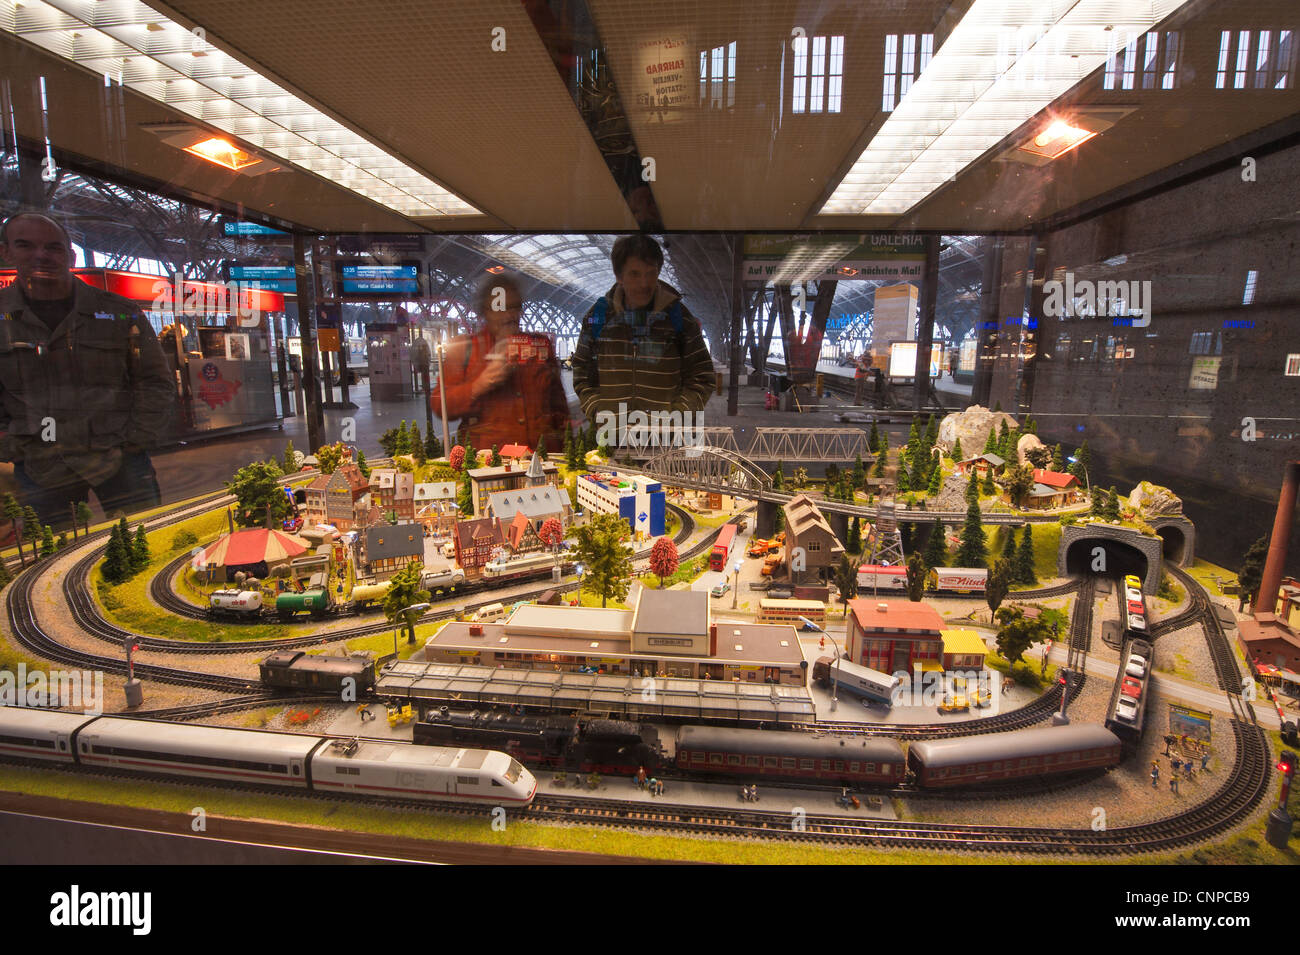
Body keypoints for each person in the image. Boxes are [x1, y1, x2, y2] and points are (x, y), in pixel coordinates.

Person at [0, 213, 175, 522]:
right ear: (6, 252)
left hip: (118, 460)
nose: (41, 255)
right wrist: (12, 445)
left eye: (53, 247)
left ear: (71, 255)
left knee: (147, 537)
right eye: (26, 245)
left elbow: (154, 381)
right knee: (52, 557)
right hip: (40, 464)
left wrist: (135, 440)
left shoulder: (118, 313)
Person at [571, 235, 715, 431]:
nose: (644, 283)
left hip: (664, 439)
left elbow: (702, 375)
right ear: (619, 276)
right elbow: (582, 370)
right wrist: (597, 410)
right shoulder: (598, 316)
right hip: (610, 436)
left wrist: (678, 415)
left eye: (651, 273)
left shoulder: (679, 317)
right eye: (635, 274)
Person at [431, 272, 569, 454]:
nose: (509, 315)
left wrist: (566, 452)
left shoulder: (540, 347)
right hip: (488, 466)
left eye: (514, 307)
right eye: (500, 308)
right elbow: (440, 405)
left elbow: (560, 410)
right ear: (485, 312)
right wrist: (478, 386)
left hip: (541, 461)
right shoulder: (463, 349)